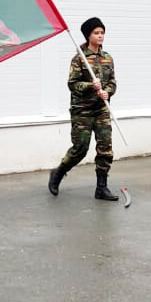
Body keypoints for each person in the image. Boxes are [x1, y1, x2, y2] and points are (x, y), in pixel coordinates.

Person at [48, 17, 120, 200]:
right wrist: (91, 86)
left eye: (102, 32)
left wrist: (107, 92)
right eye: (96, 33)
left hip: (101, 109)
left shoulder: (107, 58)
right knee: (80, 148)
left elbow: (112, 82)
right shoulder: (79, 59)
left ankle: (101, 188)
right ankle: (57, 173)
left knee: (105, 149)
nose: (100, 36)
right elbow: (72, 84)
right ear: (88, 36)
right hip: (83, 111)